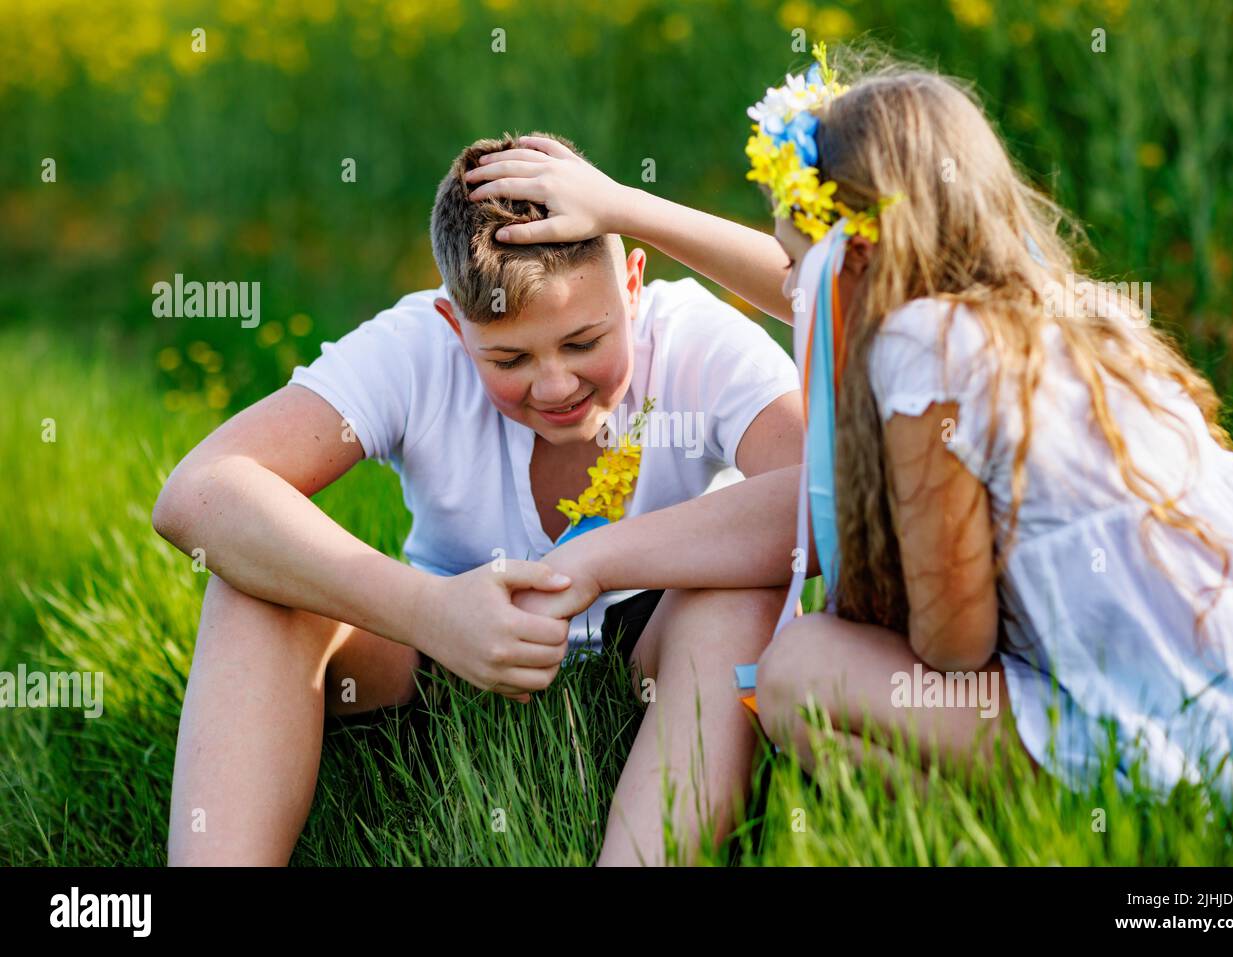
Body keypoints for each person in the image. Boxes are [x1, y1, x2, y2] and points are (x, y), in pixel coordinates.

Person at [471, 47, 1233, 811]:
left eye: (799, 262)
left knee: (797, 675)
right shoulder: (1065, 316)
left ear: (856, 260)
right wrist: (624, 206)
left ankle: (1085, 816)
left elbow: (951, 645)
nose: (790, 287)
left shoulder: (921, 347)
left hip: (1192, 741)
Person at [152, 131, 804, 866]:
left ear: (632, 285)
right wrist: (431, 612)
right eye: (510, 358)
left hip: (654, 640)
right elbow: (198, 490)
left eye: (585, 340)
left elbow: (825, 501)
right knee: (253, 589)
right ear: (454, 324)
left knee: (742, 598)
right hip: (440, 646)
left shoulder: (697, 338)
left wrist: (596, 560)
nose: (556, 385)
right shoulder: (414, 347)